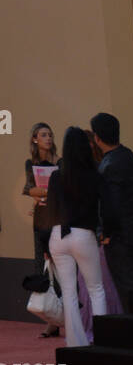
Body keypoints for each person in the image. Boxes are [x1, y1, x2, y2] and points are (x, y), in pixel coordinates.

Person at [45, 126, 116, 348]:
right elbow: (109, 208)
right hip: (83, 235)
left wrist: (45, 244)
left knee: (68, 291)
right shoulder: (95, 175)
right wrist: (108, 232)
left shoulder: (56, 176)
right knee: (96, 289)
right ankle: (103, 340)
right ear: (87, 147)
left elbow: (49, 212)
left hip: (58, 235)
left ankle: (75, 343)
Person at [89, 112, 133, 308]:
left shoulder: (109, 165)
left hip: (120, 239)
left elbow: (111, 205)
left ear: (97, 138)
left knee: (130, 294)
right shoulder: (127, 155)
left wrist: (107, 232)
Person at [23, 124, 60, 337]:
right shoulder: (31, 163)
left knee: (60, 269)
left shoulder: (59, 161)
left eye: (50, 134)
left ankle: (64, 317)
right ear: (35, 139)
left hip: (56, 218)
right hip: (40, 220)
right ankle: (51, 321)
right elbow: (29, 188)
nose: (48, 138)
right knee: (42, 268)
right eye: (43, 135)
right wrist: (39, 196)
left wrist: (41, 195)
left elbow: (60, 188)